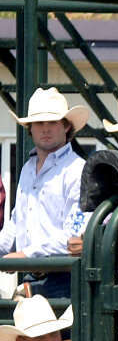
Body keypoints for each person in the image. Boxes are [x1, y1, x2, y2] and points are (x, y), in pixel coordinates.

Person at [2, 88, 92, 301]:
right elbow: (16, 224)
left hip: (64, 278)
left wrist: (25, 255)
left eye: (52, 122)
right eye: (39, 123)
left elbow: (74, 237)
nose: (45, 129)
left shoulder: (78, 170)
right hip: (31, 277)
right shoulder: (28, 168)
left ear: (66, 126)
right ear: (30, 128)